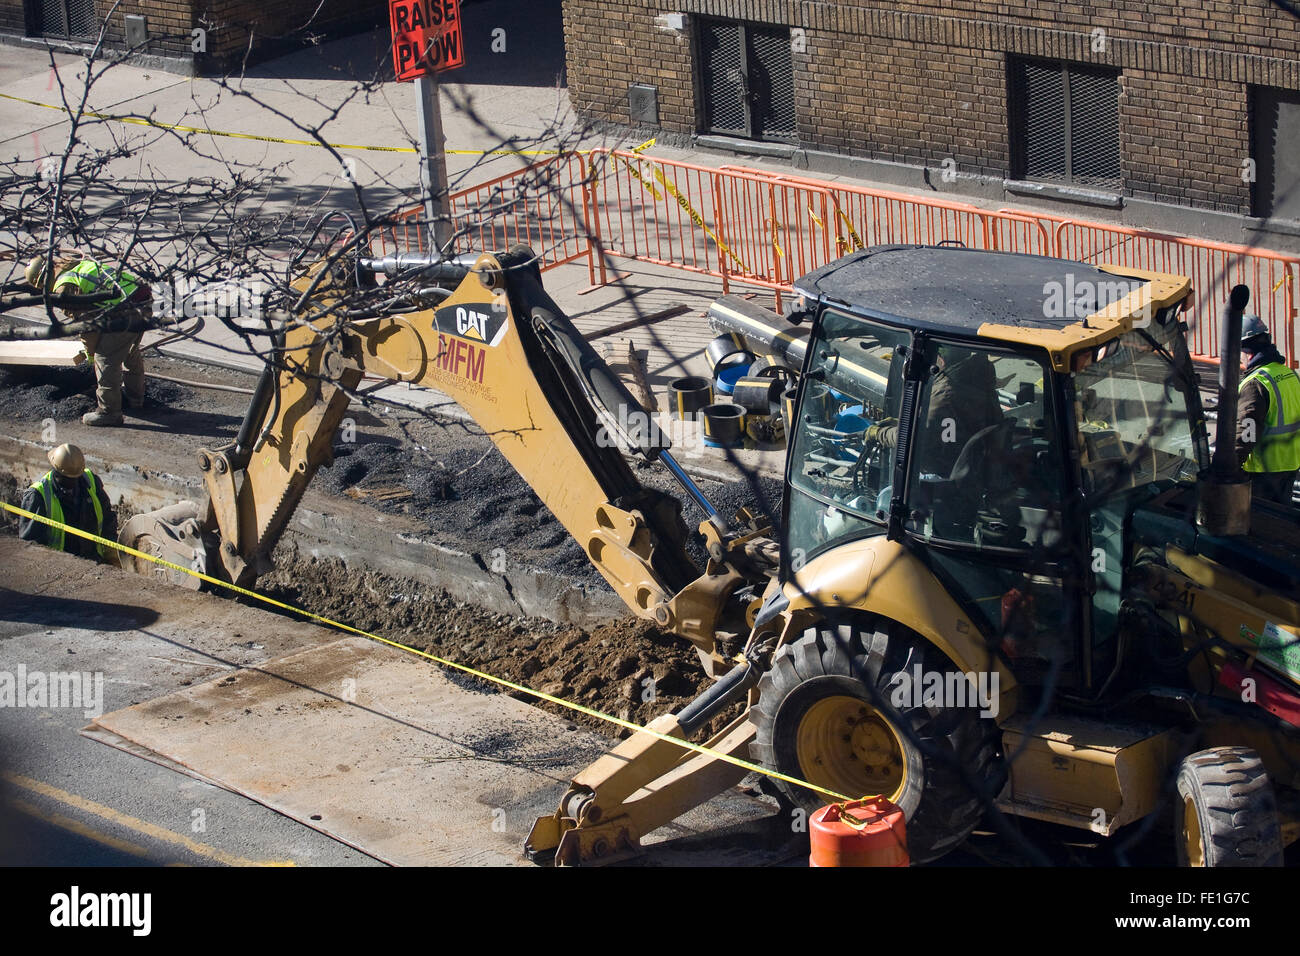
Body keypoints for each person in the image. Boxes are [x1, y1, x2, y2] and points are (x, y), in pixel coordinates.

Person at [24, 253, 151, 427]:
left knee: (105, 359)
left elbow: (86, 327)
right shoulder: (78, 266)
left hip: (125, 310)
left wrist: (91, 355)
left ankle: (109, 413)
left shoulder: (65, 288)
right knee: (129, 351)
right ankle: (135, 399)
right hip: (142, 298)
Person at [1235, 314, 1300, 505]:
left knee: (1259, 522)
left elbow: (1247, 431)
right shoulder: (1288, 373)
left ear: (1247, 351)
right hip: (1290, 462)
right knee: (1280, 519)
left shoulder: (1255, 383)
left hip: (1263, 469)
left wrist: (1229, 467)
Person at [18, 443, 118, 564]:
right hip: (60, 566)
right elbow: (32, 545)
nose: (73, 482)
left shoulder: (90, 481)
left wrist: (111, 550)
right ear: (56, 473)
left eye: (75, 478)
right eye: (69, 479)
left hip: (94, 560)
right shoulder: (38, 496)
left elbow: (107, 517)